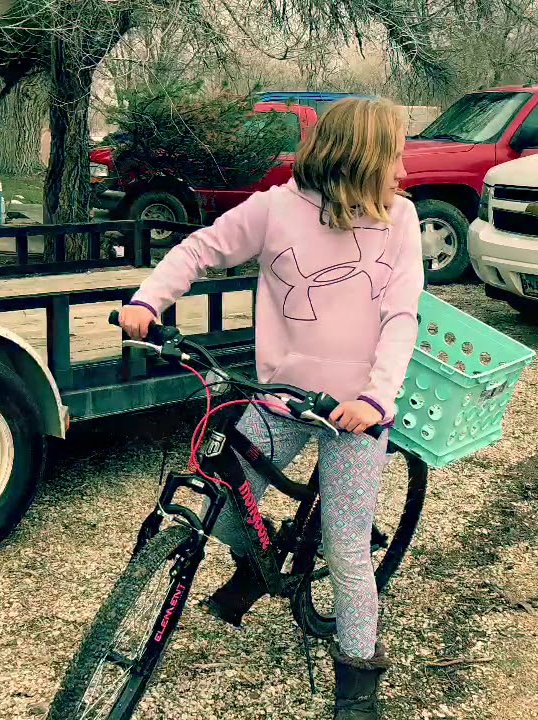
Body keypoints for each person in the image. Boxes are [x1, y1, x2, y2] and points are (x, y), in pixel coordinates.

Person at [117, 97, 422, 718]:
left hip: (357, 415)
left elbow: (401, 314)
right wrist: (149, 300)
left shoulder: (400, 218)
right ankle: (256, 569)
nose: (404, 169)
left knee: (345, 547)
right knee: (225, 495)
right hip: (279, 400)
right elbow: (199, 249)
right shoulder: (277, 208)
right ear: (360, 157)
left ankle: (359, 684)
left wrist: (376, 396)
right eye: (395, 154)